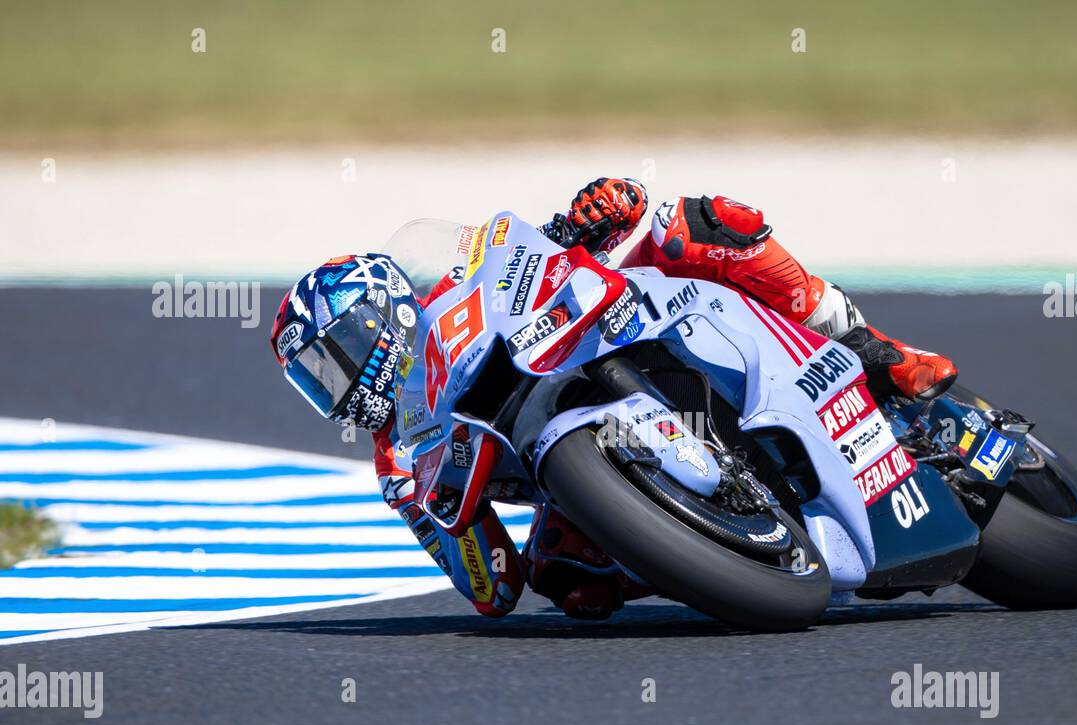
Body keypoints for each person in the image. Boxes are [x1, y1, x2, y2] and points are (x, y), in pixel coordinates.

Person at [270, 178, 957, 620]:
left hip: (599, 329)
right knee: (566, 580)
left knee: (693, 223)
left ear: (379, 311)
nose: (336, 386)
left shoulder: (427, 264)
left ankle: (874, 346)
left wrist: (583, 220)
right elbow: (493, 588)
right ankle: (716, 542)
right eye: (316, 381)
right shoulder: (399, 466)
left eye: (334, 360)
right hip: (564, 456)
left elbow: (507, 250)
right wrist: (452, 525)